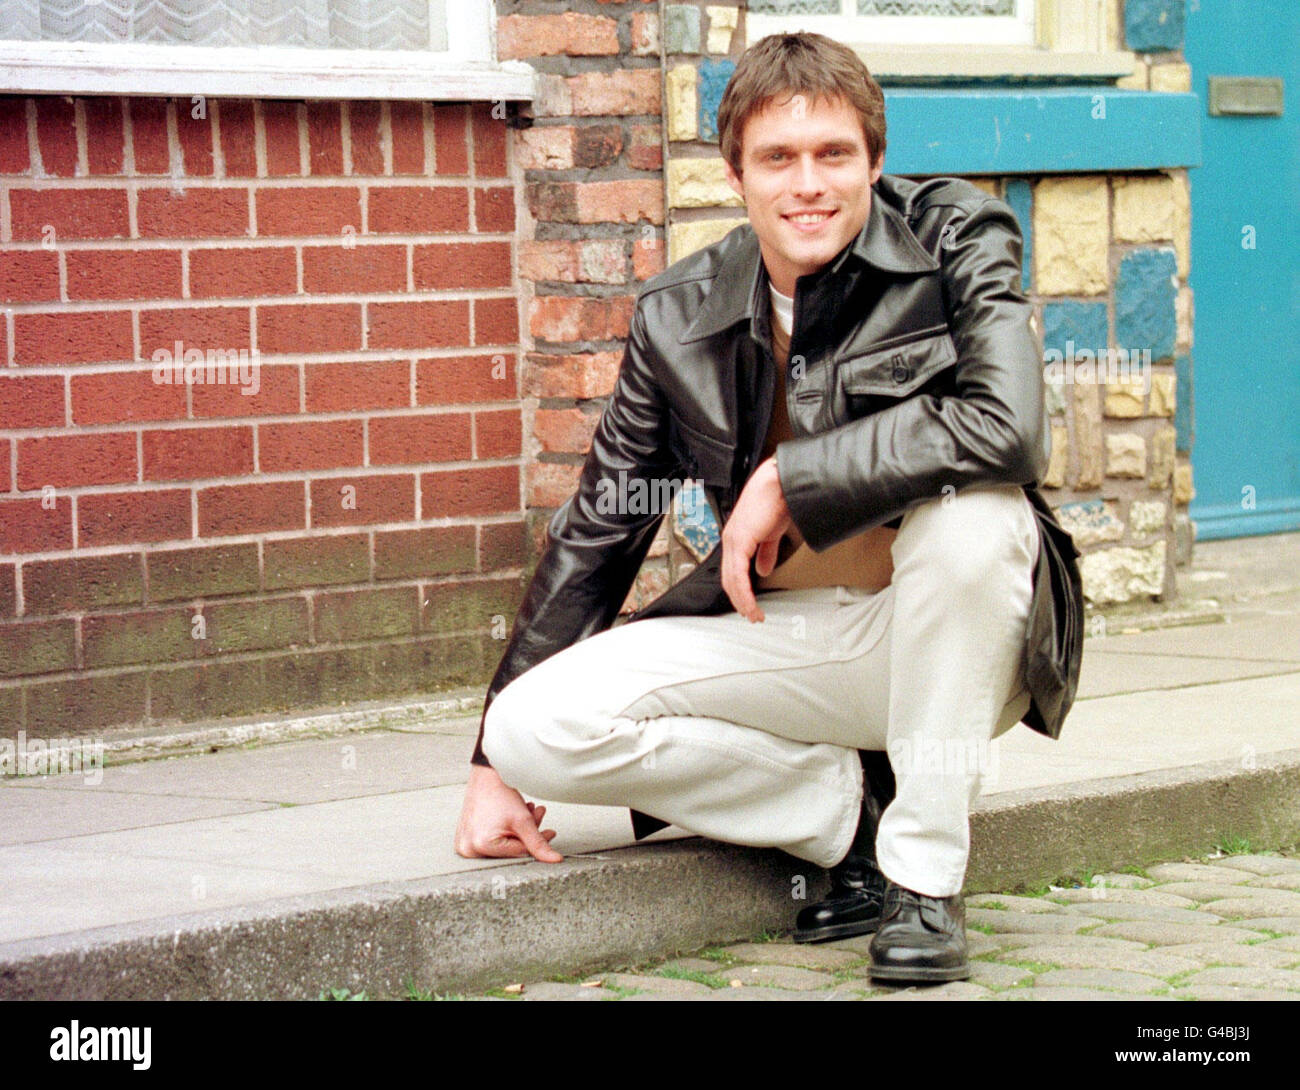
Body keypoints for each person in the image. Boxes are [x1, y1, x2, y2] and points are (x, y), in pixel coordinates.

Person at [454, 31, 1083, 984]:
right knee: (531, 727)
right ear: (736, 176)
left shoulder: (957, 235)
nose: (809, 184)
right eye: (778, 158)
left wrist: (797, 476)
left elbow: (1009, 426)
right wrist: (490, 771)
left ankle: (923, 881)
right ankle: (844, 817)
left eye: (834, 154)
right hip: (793, 643)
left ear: (875, 160)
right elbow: (602, 527)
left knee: (981, 518)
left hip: (955, 640)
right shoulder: (680, 316)